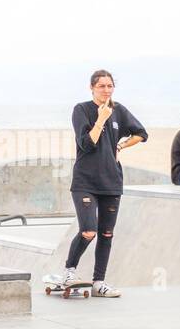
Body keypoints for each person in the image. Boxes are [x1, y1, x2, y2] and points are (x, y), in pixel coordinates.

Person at [49, 70, 147, 297]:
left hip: (111, 181)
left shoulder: (119, 110)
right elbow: (87, 144)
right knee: (88, 231)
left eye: (109, 86)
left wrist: (121, 146)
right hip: (85, 181)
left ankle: (99, 282)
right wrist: (101, 118)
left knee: (106, 234)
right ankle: (69, 271)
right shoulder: (81, 110)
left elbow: (141, 133)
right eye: (101, 86)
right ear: (92, 88)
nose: (106, 90)